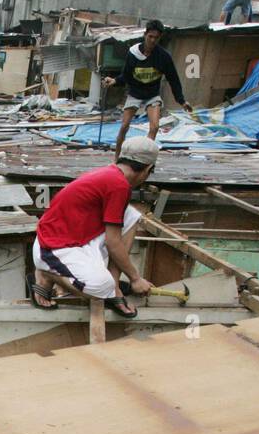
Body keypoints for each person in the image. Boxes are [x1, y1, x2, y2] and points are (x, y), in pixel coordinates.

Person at [29, 135, 158, 319]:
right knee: (100, 288)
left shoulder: (112, 175)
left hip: (74, 238)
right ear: (148, 169)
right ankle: (46, 275)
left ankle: (114, 286)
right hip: (51, 248)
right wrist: (135, 278)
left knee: (131, 215)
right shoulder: (119, 185)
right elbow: (113, 242)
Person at [103, 19, 192, 158]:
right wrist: (114, 81)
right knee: (124, 126)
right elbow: (126, 75)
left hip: (152, 95)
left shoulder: (163, 57)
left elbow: (173, 79)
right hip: (135, 94)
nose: (152, 40)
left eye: (156, 38)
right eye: (150, 36)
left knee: (155, 127)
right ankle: (117, 159)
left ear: (159, 38)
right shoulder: (133, 53)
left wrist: (181, 101)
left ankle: (143, 158)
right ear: (145, 35)